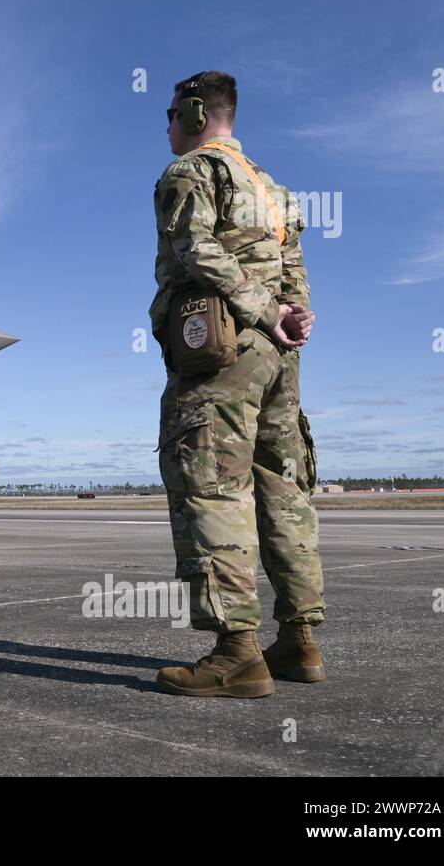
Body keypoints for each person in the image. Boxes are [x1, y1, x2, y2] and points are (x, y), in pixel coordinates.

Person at [150, 71, 324, 698]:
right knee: (284, 488)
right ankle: (299, 639)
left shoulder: (191, 173)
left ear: (195, 113)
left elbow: (196, 248)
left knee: (212, 486)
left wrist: (257, 309)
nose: (167, 125)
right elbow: (296, 272)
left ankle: (236, 653)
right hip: (279, 357)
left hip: (224, 351)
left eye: (171, 113)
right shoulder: (274, 190)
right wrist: (291, 313)